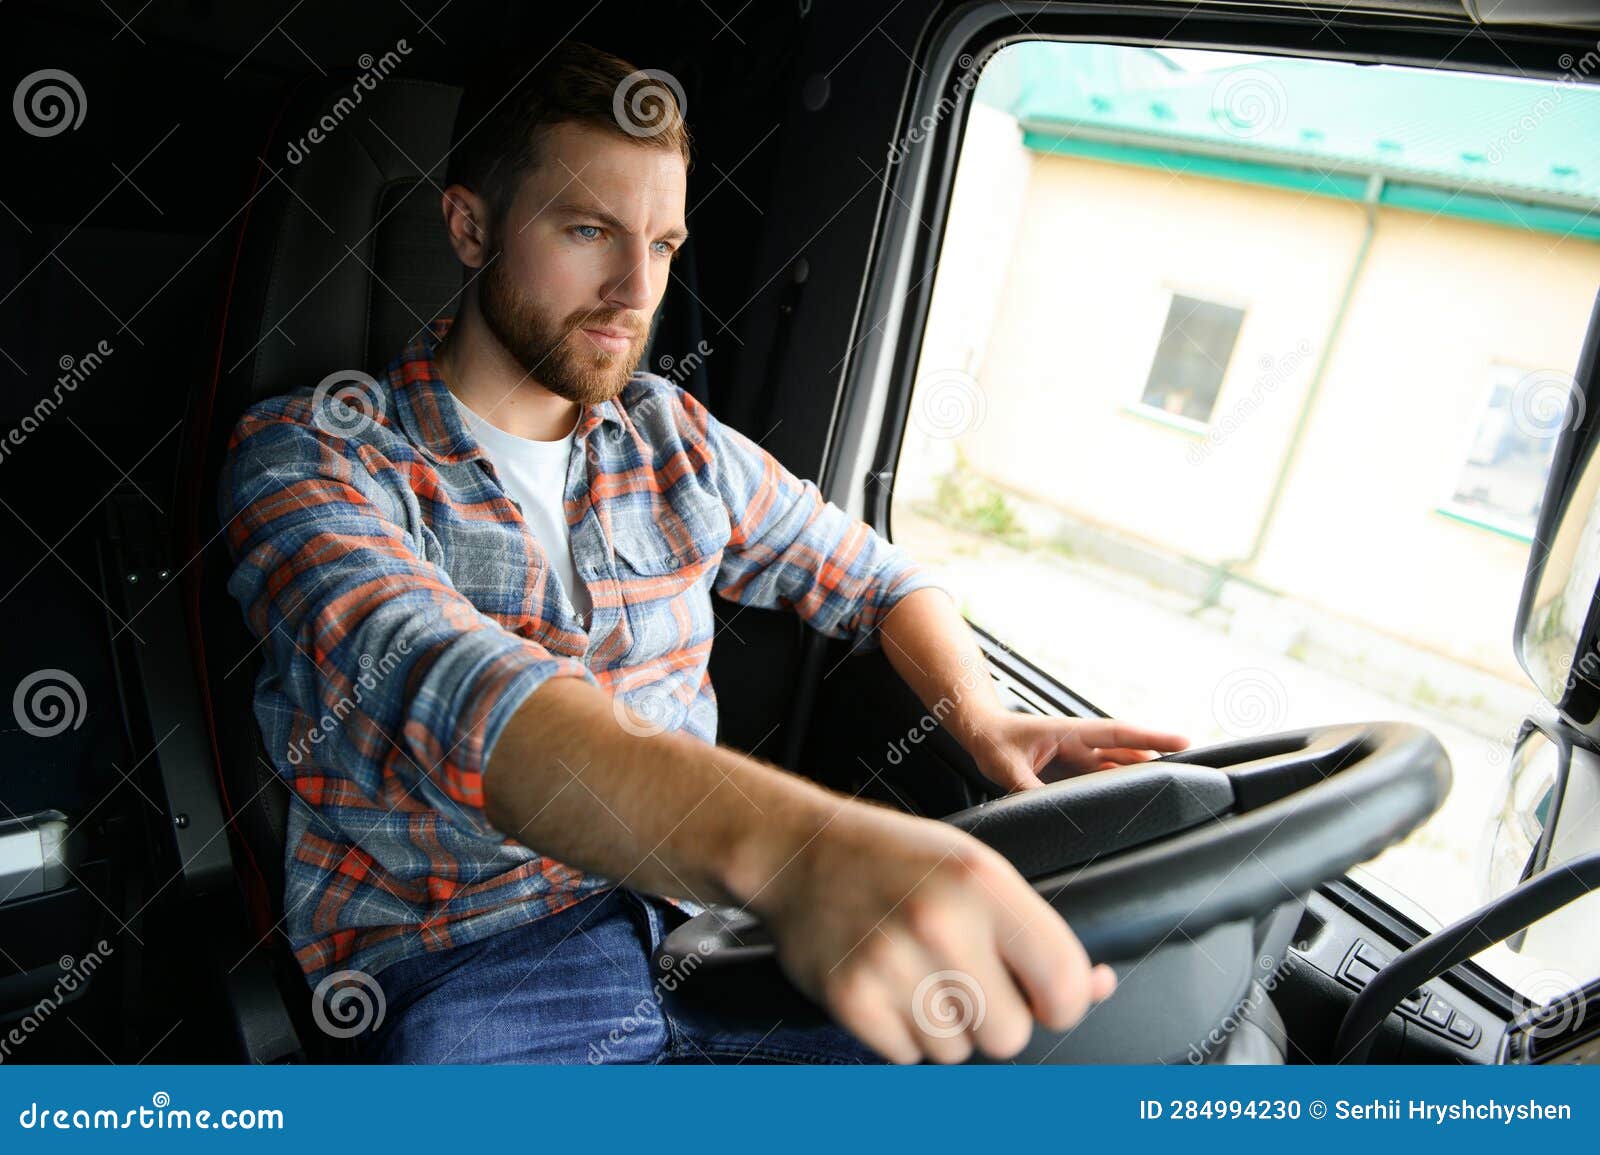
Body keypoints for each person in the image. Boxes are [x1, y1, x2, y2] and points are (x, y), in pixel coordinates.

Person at [218, 39, 1189, 1065]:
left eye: (665, 244)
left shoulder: (669, 433)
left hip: (703, 927)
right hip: (475, 957)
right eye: (588, 230)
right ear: (469, 226)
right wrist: (792, 854)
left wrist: (981, 716)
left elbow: (880, 576)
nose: (635, 289)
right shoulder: (313, 452)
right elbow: (455, 693)